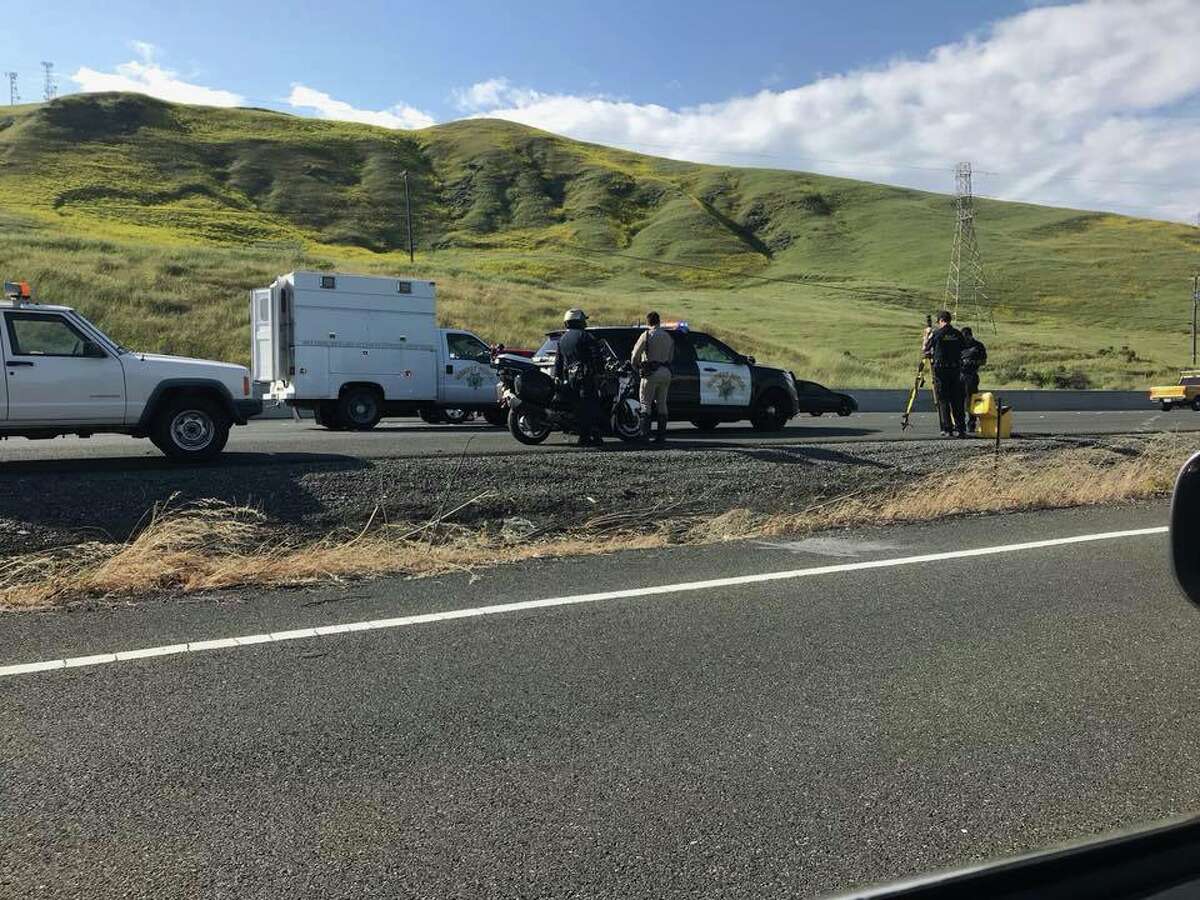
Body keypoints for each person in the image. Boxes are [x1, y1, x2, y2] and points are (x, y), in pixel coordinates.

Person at [555, 307, 605, 446]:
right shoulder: (586, 336)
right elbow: (596, 356)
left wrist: (557, 377)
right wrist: (600, 372)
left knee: (578, 407)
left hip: (570, 378)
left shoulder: (562, 339)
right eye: (583, 320)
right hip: (585, 376)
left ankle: (583, 435)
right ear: (579, 321)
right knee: (590, 406)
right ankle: (590, 436)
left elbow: (558, 362)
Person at [630, 311, 675, 443]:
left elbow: (635, 355)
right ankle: (661, 436)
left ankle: (645, 435)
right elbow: (671, 357)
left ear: (648, 322)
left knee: (645, 403)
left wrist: (637, 367)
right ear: (659, 321)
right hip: (666, 372)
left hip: (651, 372)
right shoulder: (668, 336)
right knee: (662, 403)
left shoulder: (647, 335)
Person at [923, 309, 966, 437]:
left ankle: (947, 428)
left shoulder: (937, 333)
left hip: (941, 371)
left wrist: (926, 335)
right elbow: (964, 347)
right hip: (955, 370)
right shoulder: (957, 334)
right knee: (957, 400)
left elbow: (926, 349)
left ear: (941, 321)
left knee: (943, 400)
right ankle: (961, 428)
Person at [960, 326, 988, 432]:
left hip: (971, 375)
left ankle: (971, 423)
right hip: (959, 374)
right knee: (958, 400)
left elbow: (984, 361)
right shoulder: (958, 345)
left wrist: (973, 362)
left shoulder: (978, 346)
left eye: (966, 337)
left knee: (970, 400)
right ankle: (960, 423)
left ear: (970, 335)